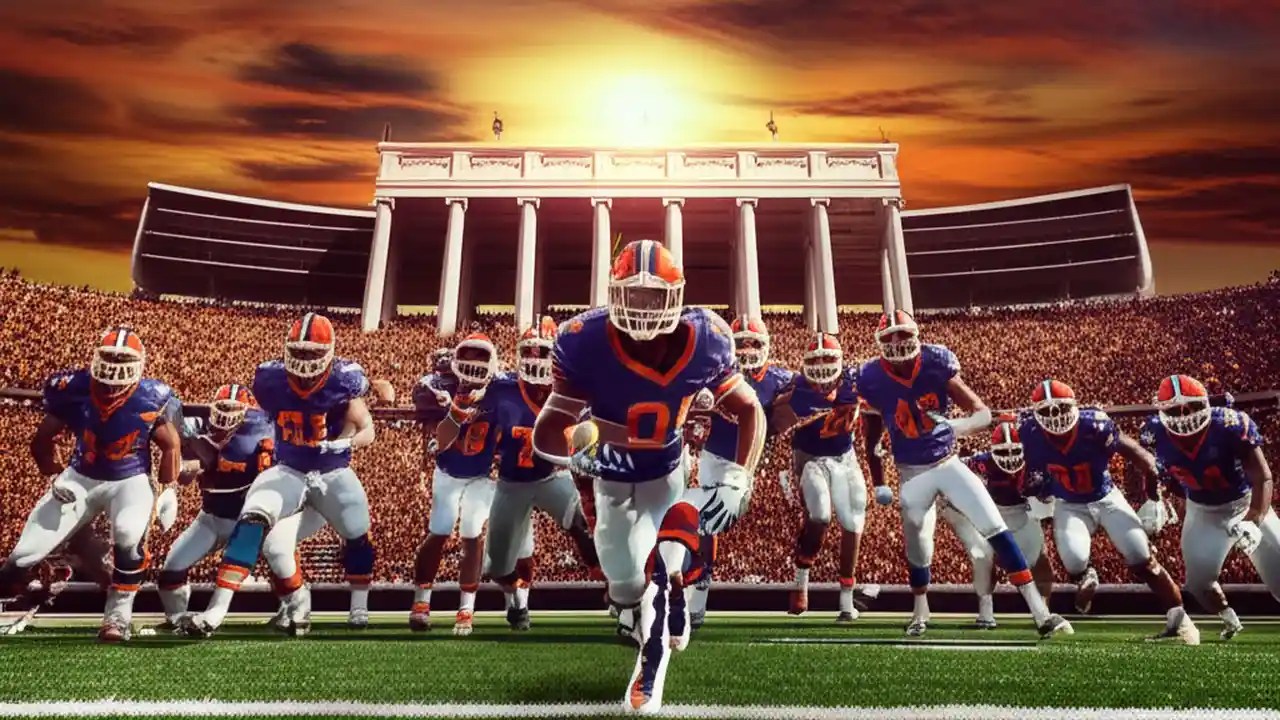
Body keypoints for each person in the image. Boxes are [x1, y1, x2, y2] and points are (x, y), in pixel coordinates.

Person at [531, 239, 766, 714]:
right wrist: (576, 447)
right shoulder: (583, 337)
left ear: (677, 296)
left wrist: (742, 474)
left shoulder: (708, 336)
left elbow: (749, 410)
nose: (642, 308)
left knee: (658, 564)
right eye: (633, 295)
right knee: (623, 581)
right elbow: (547, 430)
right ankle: (665, 594)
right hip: (611, 475)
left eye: (653, 296)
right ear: (615, 293)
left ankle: (650, 662)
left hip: (666, 471)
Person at [859, 310, 1070, 639]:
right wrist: (879, 480)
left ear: (917, 336)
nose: (898, 343)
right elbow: (870, 432)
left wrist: (959, 426)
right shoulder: (870, 376)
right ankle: (920, 609)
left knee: (994, 527)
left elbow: (983, 413)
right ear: (880, 343)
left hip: (946, 462)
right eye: (890, 337)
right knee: (919, 545)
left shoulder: (936, 362)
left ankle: (1041, 614)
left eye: (904, 335)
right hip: (911, 473)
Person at [178, 312, 376, 637]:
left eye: (313, 352)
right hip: (290, 468)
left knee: (356, 530)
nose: (306, 360)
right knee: (253, 516)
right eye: (300, 351)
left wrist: (343, 443)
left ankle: (359, 606)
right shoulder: (270, 379)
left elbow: (368, 428)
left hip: (333, 471)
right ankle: (216, 610)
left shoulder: (345, 380)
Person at [0, 327, 183, 642]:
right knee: (23, 557)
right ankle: (15, 597)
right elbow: (43, 438)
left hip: (130, 478)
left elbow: (171, 444)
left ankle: (118, 617)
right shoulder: (72, 387)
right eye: (109, 357)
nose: (113, 365)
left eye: (121, 359)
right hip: (79, 476)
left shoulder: (153, 394)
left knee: (128, 537)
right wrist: (52, 475)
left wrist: (169, 488)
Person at [441, 316, 599, 631]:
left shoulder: (572, 391)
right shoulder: (501, 390)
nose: (535, 359)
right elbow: (451, 393)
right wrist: (457, 403)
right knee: (497, 567)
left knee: (586, 519)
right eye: (530, 351)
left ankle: (611, 581)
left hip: (553, 477)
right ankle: (516, 598)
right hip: (511, 483)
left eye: (543, 352)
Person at [1020, 378, 1197, 644]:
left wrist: (1153, 497)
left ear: (1075, 407)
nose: (1054, 417)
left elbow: (1143, 458)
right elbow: (1023, 474)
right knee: (1074, 560)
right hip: (1069, 504)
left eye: (1060, 409)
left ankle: (1181, 622)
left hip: (1107, 498)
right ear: (1036, 415)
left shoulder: (1095, 426)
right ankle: (1086, 576)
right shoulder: (1030, 433)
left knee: (1143, 558)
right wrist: (1034, 487)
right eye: (1046, 411)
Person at [1139, 374, 1279, 639]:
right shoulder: (1153, 432)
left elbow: (1263, 476)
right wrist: (1155, 497)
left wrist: (1254, 517)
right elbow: (1154, 472)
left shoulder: (1229, 424)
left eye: (1190, 406)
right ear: (1162, 410)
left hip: (1243, 502)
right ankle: (1230, 619)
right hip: (1203, 510)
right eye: (1175, 409)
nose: (1184, 415)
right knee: (1199, 583)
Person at [156, 384, 274, 628]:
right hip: (210, 518)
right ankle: (176, 620)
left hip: (246, 519)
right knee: (170, 572)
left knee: (281, 566)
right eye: (222, 408)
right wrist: (183, 464)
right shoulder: (201, 430)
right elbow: (187, 475)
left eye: (233, 409)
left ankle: (293, 611)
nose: (226, 415)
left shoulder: (257, 438)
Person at [771, 332, 870, 623]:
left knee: (853, 521)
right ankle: (801, 581)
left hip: (845, 458)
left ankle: (846, 601)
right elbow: (770, 413)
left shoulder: (856, 381)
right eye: (816, 365)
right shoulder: (796, 387)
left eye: (828, 364)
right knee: (820, 515)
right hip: (810, 459)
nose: (822, 375)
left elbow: (881, 401)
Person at [410, 337, 501, 635]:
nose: (473, 369)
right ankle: (422, 601)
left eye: (480, 361)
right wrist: (455, 407)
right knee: (439, 530)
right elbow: (437, 437)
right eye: (468, 359)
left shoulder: (501, 389)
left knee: (472, 530)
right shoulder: (438, 385)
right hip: (448, 470)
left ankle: (466, 607)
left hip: (481, 474)